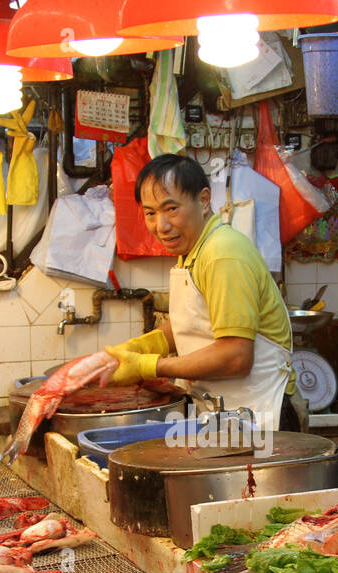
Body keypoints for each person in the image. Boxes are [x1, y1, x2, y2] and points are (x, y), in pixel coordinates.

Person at [104, 153, 306, 432]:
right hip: (228, 414)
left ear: (203, 200)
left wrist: (150, 366)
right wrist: (143, 346)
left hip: (264, 416)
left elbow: (236, 356)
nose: (161, 226)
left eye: (171, 208)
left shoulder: (222, 252)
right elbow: (195, 323)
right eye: (150, 213)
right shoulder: (194, 250)